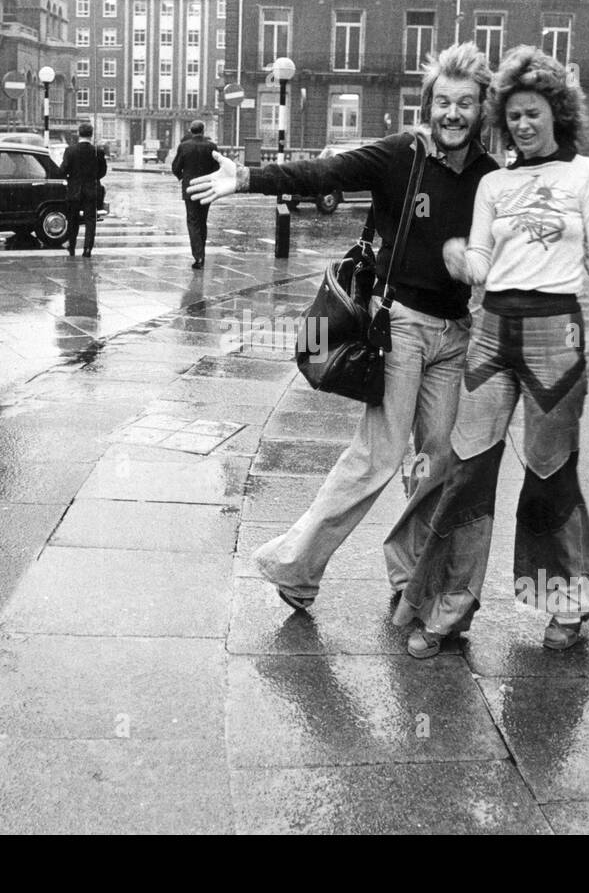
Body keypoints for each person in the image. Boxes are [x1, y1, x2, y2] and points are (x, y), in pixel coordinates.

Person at [187, 42, 499, 611]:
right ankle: (294, 565)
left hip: (454, 336)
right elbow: (325, 171)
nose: (454, 114)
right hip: (399, 325)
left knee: (437, 464)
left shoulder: (489, 177)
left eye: (467, 104)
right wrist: (248, 179)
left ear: (482, 111)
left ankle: (410, 577)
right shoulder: (401, 154)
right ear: (429, 105)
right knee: (379, 456)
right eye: (444, 102)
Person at [393, 45, 589, 659]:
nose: (523, 125)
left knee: (550, 474)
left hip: (558, 335)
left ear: (558, 113)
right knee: (465, 470)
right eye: (514, 116)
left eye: (534, 113)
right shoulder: (494, 183)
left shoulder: (588, 178)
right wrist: (457, 258)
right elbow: (480, 261)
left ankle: (568, 607)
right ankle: (448, 608)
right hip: (493, 330)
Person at [171, 120, 220, 269]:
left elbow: (175, 167)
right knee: (202, 220)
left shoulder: (184, 146)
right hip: (206, 187)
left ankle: (198, 256)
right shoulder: (211, 146)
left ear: (191, 131)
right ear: (203, 130)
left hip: (190, 188)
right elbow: (217, 167)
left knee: (192, 221)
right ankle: (202, 253)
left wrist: (183, 177)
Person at [57, 122, 106, 257]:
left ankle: (72, 246)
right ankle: (88, 249)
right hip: (91, 190)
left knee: (73, 219)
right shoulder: (98, 151)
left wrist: (70, 177)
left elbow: (63, 170)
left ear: (79, 133)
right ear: (91, 134)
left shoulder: (70, 150)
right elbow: (103, 172)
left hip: (74, 190)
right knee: (90, 220)